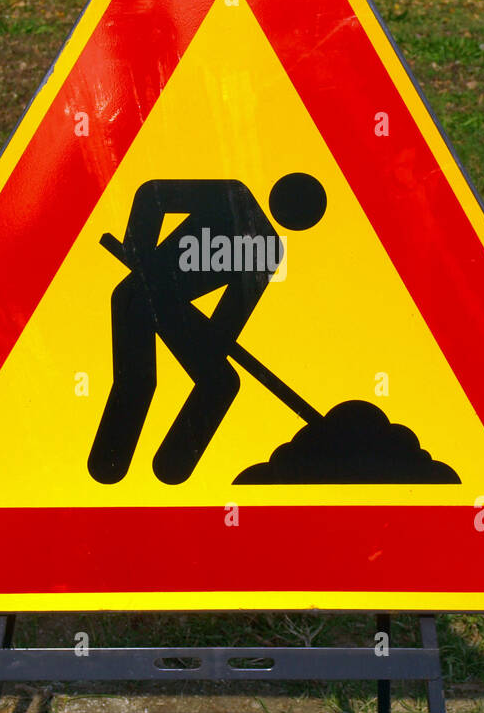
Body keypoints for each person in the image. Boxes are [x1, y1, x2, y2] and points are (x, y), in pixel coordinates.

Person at [89, 174, 326, 484]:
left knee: (220, 382)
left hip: (166, 306)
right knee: (138, 380)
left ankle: (171, 468)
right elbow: (152, 194)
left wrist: (215, 339)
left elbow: (233, 313)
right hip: (135, 297)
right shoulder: (233, 197)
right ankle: (109, 464)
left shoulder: (268, 249)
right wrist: (138, 246)